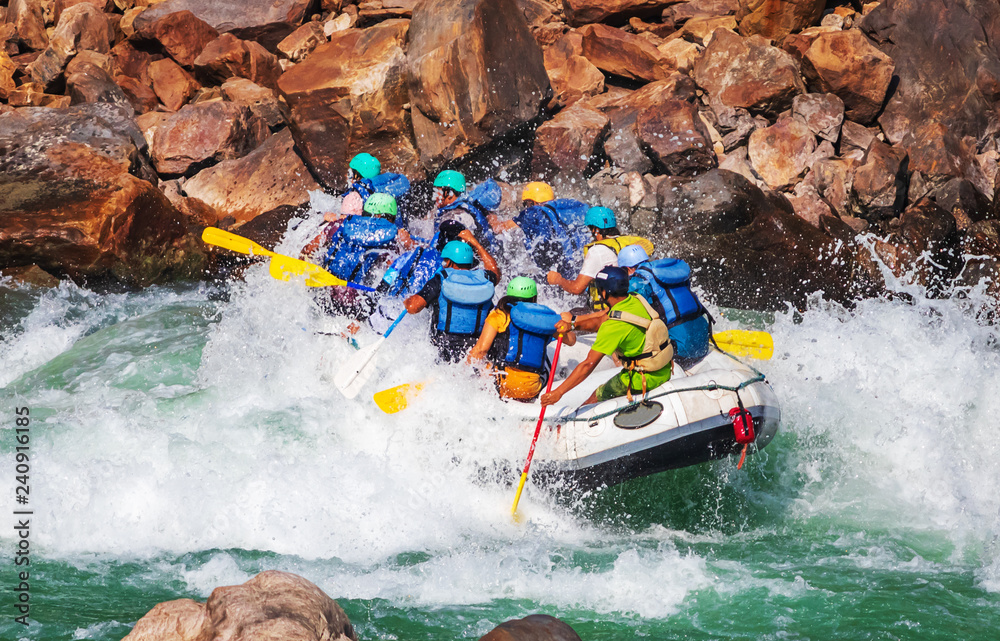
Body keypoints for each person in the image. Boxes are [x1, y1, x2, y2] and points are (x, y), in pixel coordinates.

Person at [541, 266, 673, 407]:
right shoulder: (634, 299)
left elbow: (587, 365)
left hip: (642, 377)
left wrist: (558, 393)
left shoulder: (612, 327)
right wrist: (572, 325)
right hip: (664, 369)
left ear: (604, 293)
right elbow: (601, 320)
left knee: (597, 396)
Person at [467, 277, 576, 401]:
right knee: (546, 358)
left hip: (500, 385)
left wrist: (461, 371)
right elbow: (571, 341)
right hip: (530, 390)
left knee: (485, 362)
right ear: (534, 298)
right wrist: (567, 322)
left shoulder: (499, 314)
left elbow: (480, 350)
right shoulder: (545, 319)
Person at [305, 193, 411, 319]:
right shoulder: (389, 238)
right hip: (355, 307)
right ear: (383, 217)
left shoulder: (340, 224)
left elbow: (308, 250)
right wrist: (407, 245)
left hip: (323, 293)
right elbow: (393, 273)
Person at [404, 235, 501, 362]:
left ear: (448, 262)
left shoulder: (440, 279)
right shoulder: (485, 278)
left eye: (444, 260)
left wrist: (408, 300)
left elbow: (413, 308)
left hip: (444, 351)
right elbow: (495, 270)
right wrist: (476, 244)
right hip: (475, 351)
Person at [618, 244, 712, 367]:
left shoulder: (639, 280)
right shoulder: (666, 272)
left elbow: (630, 313)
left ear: (628, 269)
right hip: (703, 341)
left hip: (680, 349)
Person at [546, 206, 653, 311]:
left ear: (596, 229)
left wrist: (558, 280)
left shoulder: (597, 251)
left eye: (589, 228)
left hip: (607, 310)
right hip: (632, 304)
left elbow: (577, 288)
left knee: (571, 315)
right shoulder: (628, 243)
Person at [490, 182, 589, 274]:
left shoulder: (534, 213)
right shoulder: (563, 208)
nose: (526, 207)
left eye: (526, 204)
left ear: (531, 202)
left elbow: (498, 228)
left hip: (553, 267)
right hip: (576, 263)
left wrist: (489, 213)